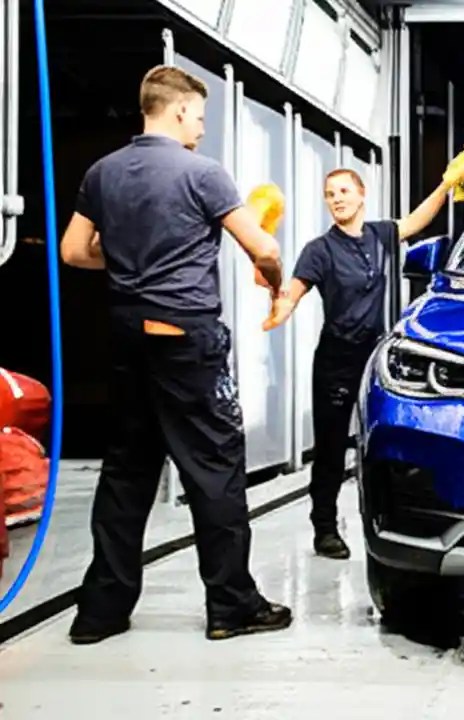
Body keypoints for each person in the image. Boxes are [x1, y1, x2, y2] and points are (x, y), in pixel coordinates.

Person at [59, 65, 294, 643]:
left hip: (126, 335)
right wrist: (273, 280)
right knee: (214, 469)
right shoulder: (202, 173)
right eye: (200, 117)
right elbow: (263, 246)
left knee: (126, 470)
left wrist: (129, 259)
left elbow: (73, 251)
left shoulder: (103, 171)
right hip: (187, 338)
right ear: (180, 109)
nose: (201, 129)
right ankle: (232, 606)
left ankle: (101, 612)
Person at [264, 156, 464, 560]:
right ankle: (325, 529)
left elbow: (415, 221)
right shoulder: (318, 251)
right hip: (336, 359)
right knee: (331, 449)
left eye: (344, 191)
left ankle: (392, 518)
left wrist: (448, 183)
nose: (336, 199)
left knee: (382, 441)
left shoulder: (381, 235)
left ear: (361, 195)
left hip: (375, 356)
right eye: (330, 194)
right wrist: (274, 292)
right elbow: (290, 297)